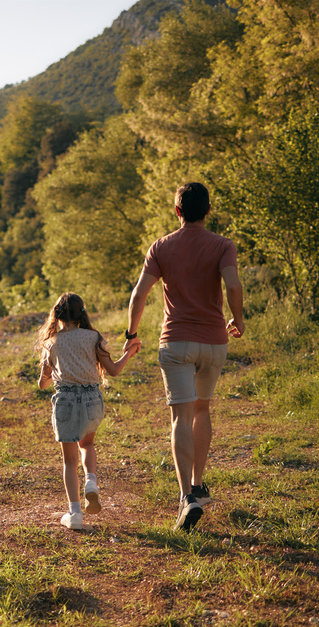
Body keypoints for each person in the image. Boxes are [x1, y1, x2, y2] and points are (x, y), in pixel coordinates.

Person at [125, 182, 245, 530]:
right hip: (213, 341)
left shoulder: (161, 247)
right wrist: (237, 319)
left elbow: (139, 295)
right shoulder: (224, 246)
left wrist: (131, 335)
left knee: (180, 417)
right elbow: (233, 285)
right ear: (208, 209)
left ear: (177, 211)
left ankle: (186, 498)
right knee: (202, 408)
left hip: (176, 342)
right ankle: (198, 484)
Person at [37, 292, 141, 530]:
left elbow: (43, 384)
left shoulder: (51, 342)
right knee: (88, 445)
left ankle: (74, 513)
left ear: (57, 315)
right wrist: (129, 353)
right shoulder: (93, 337)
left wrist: (49, 374)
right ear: (81, 313)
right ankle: (91, 482)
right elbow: (113, 370)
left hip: (66, 402)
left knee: (69, 461)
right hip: (92, 399)